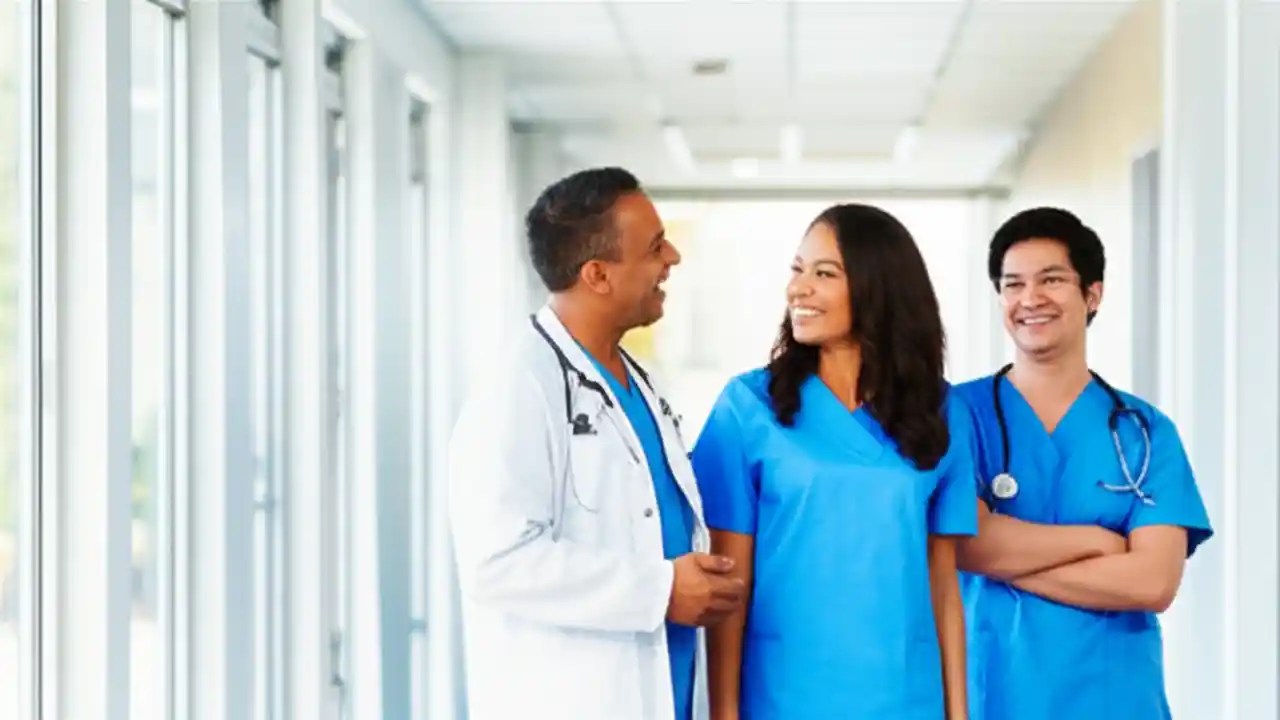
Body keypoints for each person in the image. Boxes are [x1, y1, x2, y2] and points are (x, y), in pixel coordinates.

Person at [449, 167, 746, 720]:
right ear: (598, 275)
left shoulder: (635, 380)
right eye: (656, 247)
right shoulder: (519, 385)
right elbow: (498, 560)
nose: (673, 258)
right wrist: (659, 590)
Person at [691, 203, 975, 719]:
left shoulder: (943, 412)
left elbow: (943, 581)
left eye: (824, 273)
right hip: (785, 695)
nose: (798, 288)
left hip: (906, 696)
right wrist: (723, 713)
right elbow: (727, 580)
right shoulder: (748, 406)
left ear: (877, 287)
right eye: (797, 270)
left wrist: (958, 713)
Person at [953, 207, 1213, 720]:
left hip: (1113, 698)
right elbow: (966, 543)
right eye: (1013, 284)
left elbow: (1152, 583)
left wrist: (1005, 560)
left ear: (1092, 294)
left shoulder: (1144, 431)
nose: (1030, 299)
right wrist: (1095, 543)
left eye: (1051, 280)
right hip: (991, 693)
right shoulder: (958, 416)